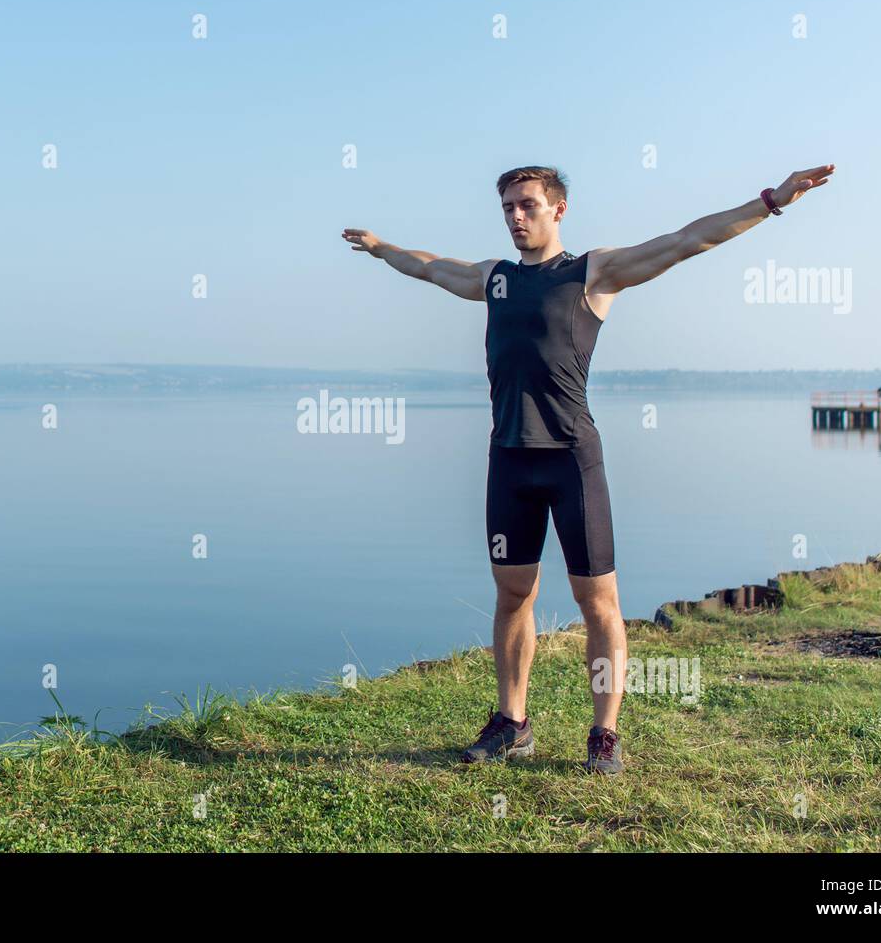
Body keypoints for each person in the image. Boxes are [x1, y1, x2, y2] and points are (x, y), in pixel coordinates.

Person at [341, 162, 835, 772]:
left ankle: (604, 734)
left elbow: (686, 241)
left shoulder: (592, 273)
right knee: (513, 594)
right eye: (507, 209)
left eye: (527, 205)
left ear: (558, 209)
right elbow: (428, 265)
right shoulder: (494, 279)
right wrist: (382, 248)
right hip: (509, 460)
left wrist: (770, 200)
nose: (515, 218)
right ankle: (512, 722)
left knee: (597, 602)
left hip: (573, 460)